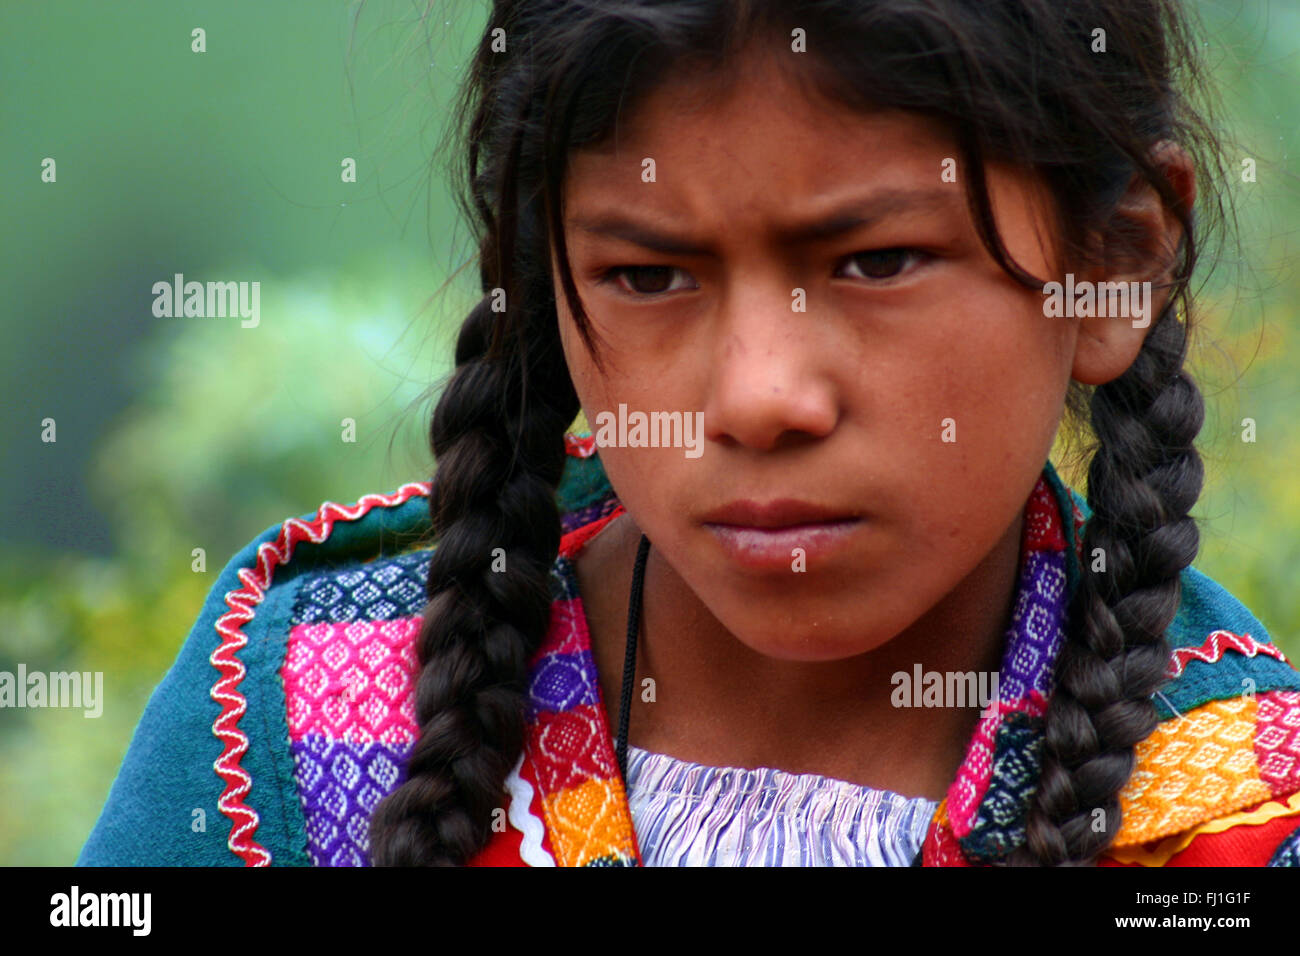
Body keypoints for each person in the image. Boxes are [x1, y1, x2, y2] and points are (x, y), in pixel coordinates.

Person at [80, 0, 1300, 867]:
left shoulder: (1241, 810)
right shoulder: (306, 720)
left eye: (875, 260)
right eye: (650, 275)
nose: (759, 397)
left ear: (1115, 261)